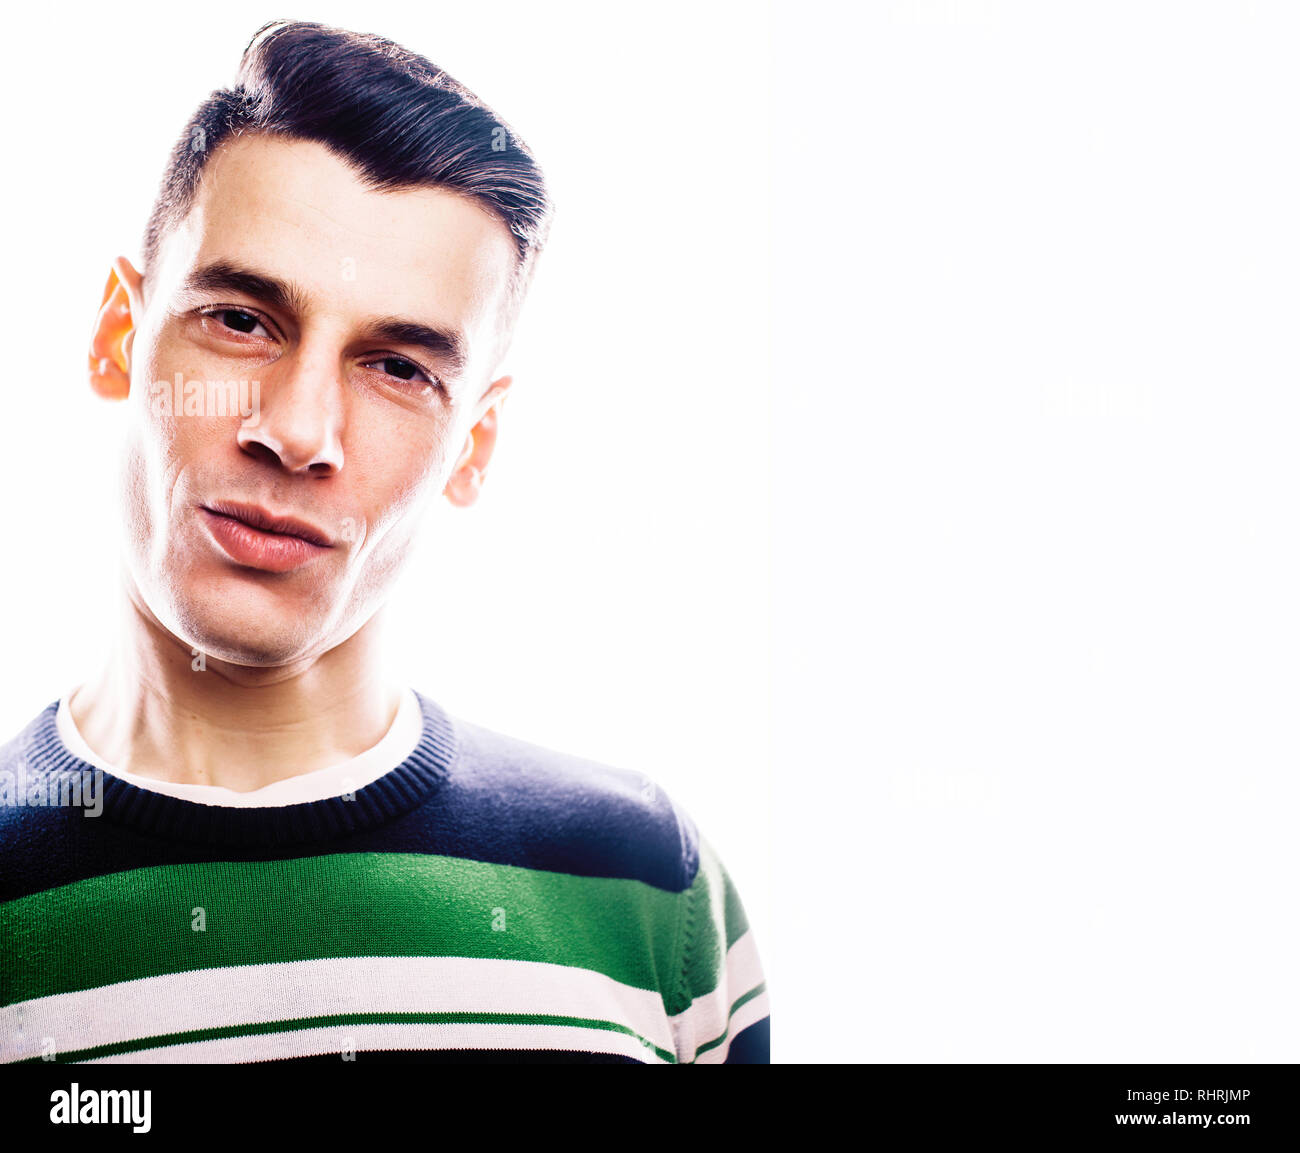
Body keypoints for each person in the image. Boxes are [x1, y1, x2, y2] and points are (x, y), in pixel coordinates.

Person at [0, 19, 768, 1064]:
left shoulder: (644, 890)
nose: (298, 431)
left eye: (399, 368)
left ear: (474, 442)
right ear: (118, 336)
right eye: (241, 319)